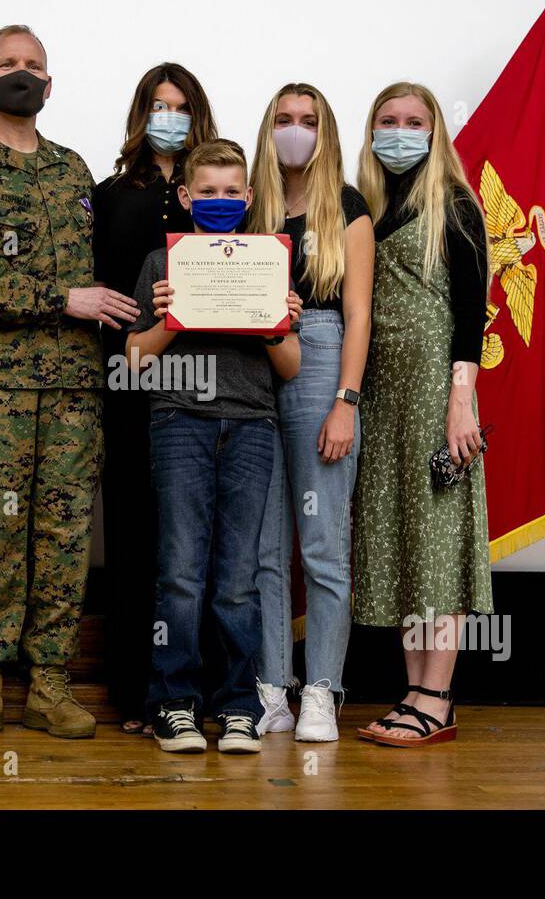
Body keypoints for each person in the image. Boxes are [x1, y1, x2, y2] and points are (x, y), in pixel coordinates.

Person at [0, 24, 140, 743]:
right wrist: (64, 297)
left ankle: (50, 680)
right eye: (6, 65)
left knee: (64, 536)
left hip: (74, 391)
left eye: (33, 66)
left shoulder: (75, 172)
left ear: (51, 84)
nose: (21, 75)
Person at [127, 139, 303, 755]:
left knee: (237, 578)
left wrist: (276, 322)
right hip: (180, 422)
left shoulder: (269, 264)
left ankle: (236, 706)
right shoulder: (160, 264)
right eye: (208, 191)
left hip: (252, 427)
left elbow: (290, 365)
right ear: (186, 197)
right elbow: (133, 362)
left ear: (250, 198)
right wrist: (168, 323)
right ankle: (174, 703)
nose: (221, 201)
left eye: (233, 192)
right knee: (179, 572)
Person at [351, 82, 492, 748]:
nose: (400, 131)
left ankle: (437, 695)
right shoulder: (369, 207)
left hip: (438, 396)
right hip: (382, 400)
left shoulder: (454, 205)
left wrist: (459, 404)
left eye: (414, 121)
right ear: (371, 130)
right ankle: (411, 691)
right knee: (408, 541)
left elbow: (471, 315)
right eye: (388, 121)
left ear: (434, 133)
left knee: (441, 543)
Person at [91, 63, 218, 735]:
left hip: (211, 388)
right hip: (131, 381)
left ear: (199, 116)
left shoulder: (222, 193)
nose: (170, 117)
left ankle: (198, 686)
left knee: (197, 541)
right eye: (158, 106)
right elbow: (98, 290)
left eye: (182, 106)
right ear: (142, 114)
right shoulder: (110, 195)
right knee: (138, 533)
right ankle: (137, 689)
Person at [248, 83, 374, 742]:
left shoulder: (346, 208)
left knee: (321, 544)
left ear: (326, 131)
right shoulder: (251, 205)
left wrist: (344, 404)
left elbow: (359, 315)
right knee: (265, 547)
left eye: (308, 121)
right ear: (267, 129)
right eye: (284, 120)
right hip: (253, 364)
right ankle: (273, 688)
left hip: (322, 359)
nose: (295, 131)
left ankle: (321, 688)